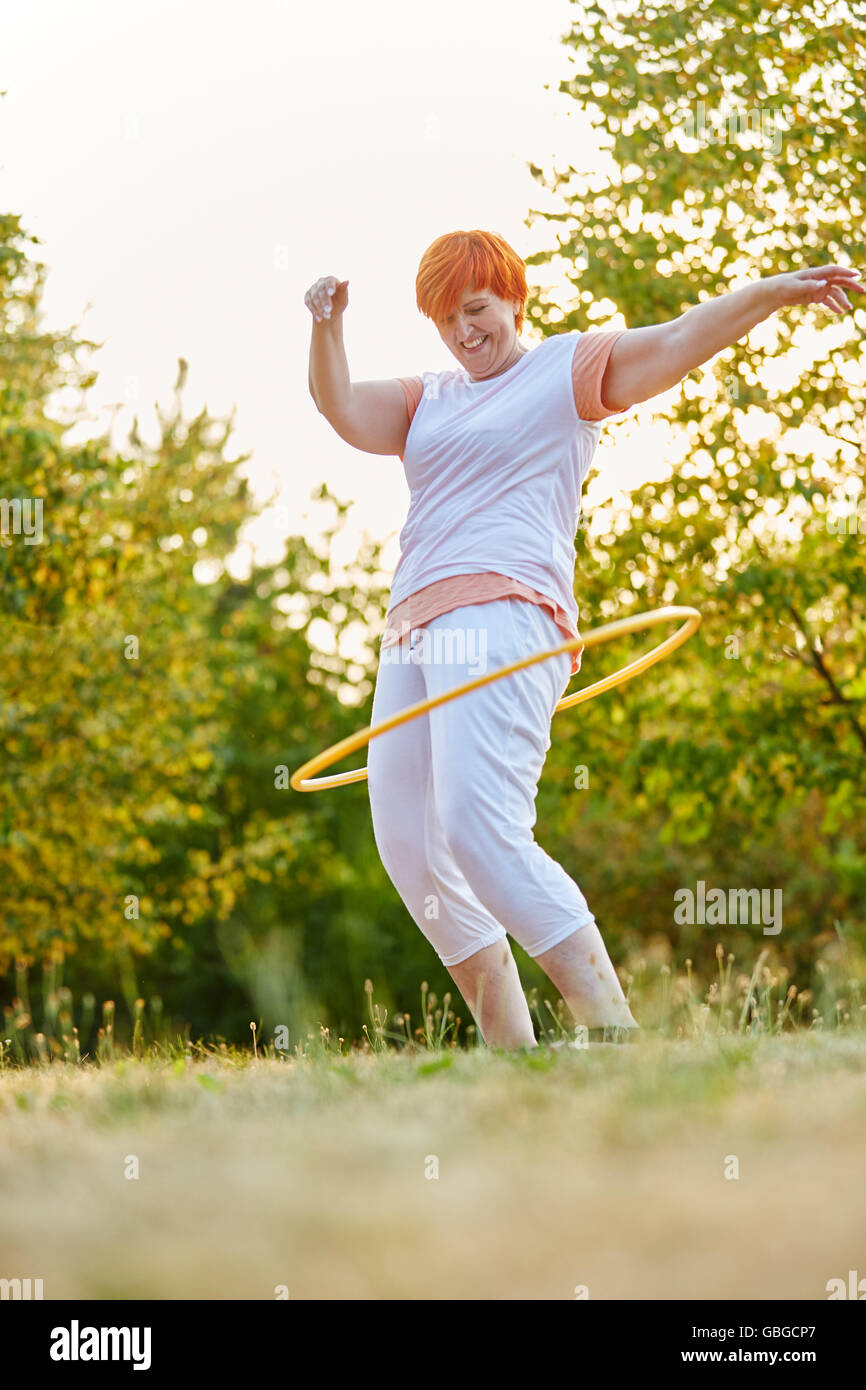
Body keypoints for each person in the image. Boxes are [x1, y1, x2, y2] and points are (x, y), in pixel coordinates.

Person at [306, 229, 860, 1050]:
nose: (464, 333)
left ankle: (615, 1033)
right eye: (446, 320)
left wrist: (774, 290)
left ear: (513, 297)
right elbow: (342, 407)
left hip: (507, 614)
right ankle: (515, 1056)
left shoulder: (563, 371)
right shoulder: (429, 398)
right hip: (412, 631)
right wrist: (326, 325)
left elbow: (676, 339)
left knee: (477, 826)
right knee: (414, 855)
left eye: (478, 310)